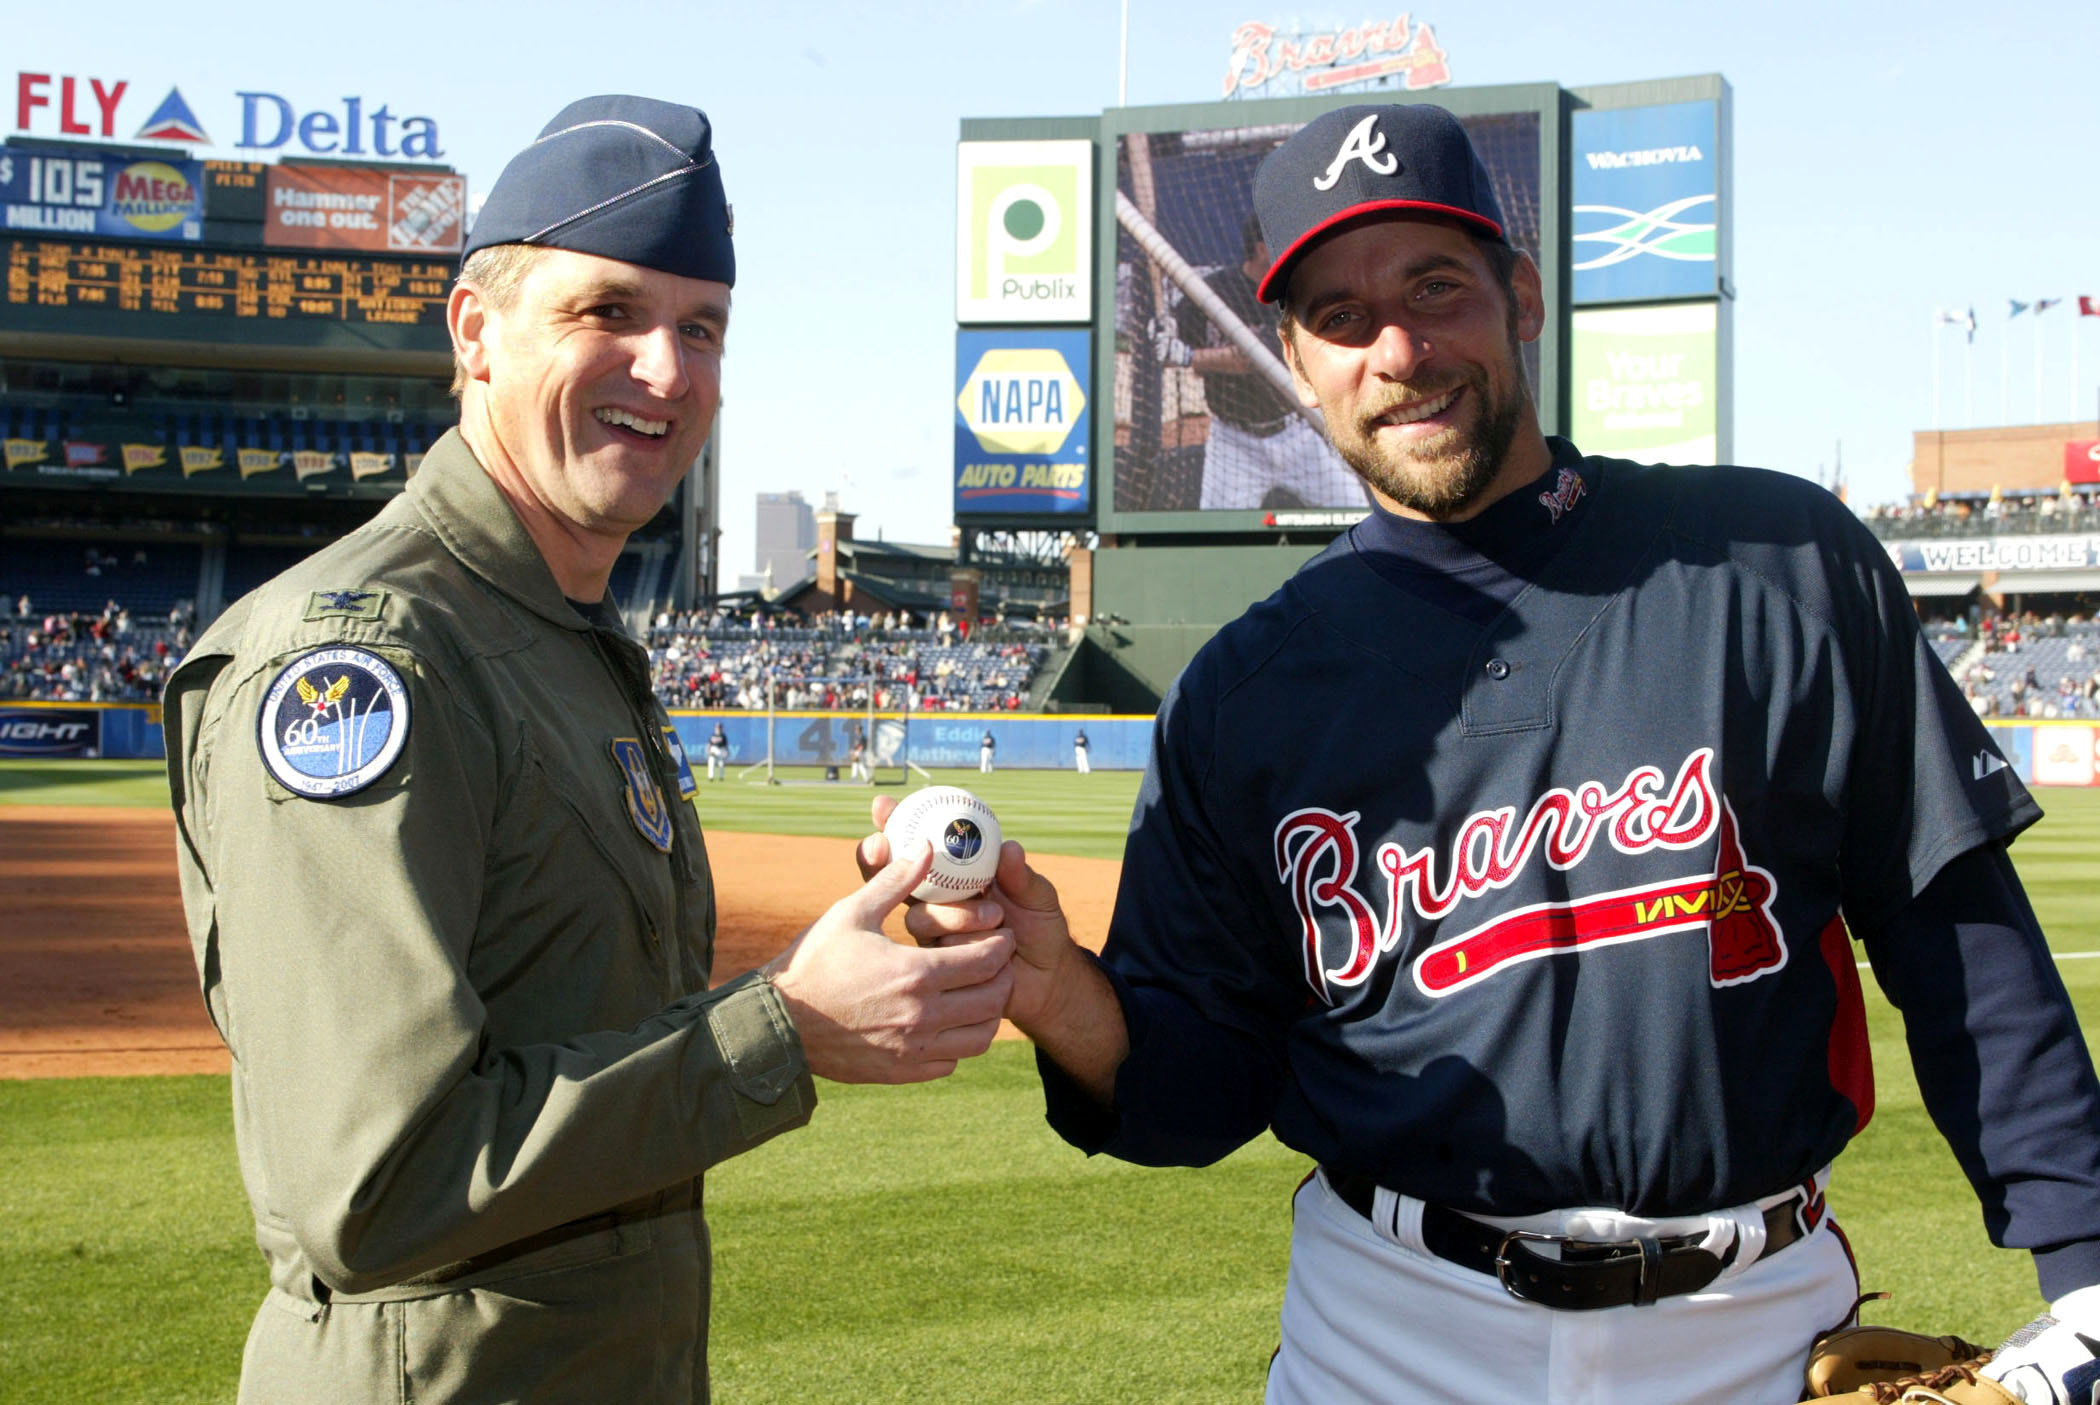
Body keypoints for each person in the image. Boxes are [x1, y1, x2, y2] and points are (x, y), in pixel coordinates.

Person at [886, 104, 2100, 1404]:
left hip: (1749, 1326)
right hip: (1389, 1336)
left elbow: (1953, 934)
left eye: (1435, 288)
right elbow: (1201, 1094)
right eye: (1342, 316)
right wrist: (1055, 990)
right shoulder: (1241, 696)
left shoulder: (1778, 563)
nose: (1398, 351)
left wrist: (2089, 1274)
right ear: (1295, 357)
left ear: (1521, 295)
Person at [162, 96, 1014, 1403]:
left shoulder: (561, 638)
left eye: (702, 327)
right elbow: (374, 1185)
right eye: (607, 311)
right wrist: (784, 1028)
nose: (667, 370)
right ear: (475, 334)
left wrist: (808, 990)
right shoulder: (366, 661)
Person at [1155, 213, 1361, 511]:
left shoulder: (1290, 296)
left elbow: (1250, 358)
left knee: (1353, 509)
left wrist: (1187, 357)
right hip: (1234, 442)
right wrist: (1163, 333)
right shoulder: (1213, 290)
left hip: (1295, 434)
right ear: (1262, 249)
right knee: (1217, 529)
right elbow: (1174, 338)